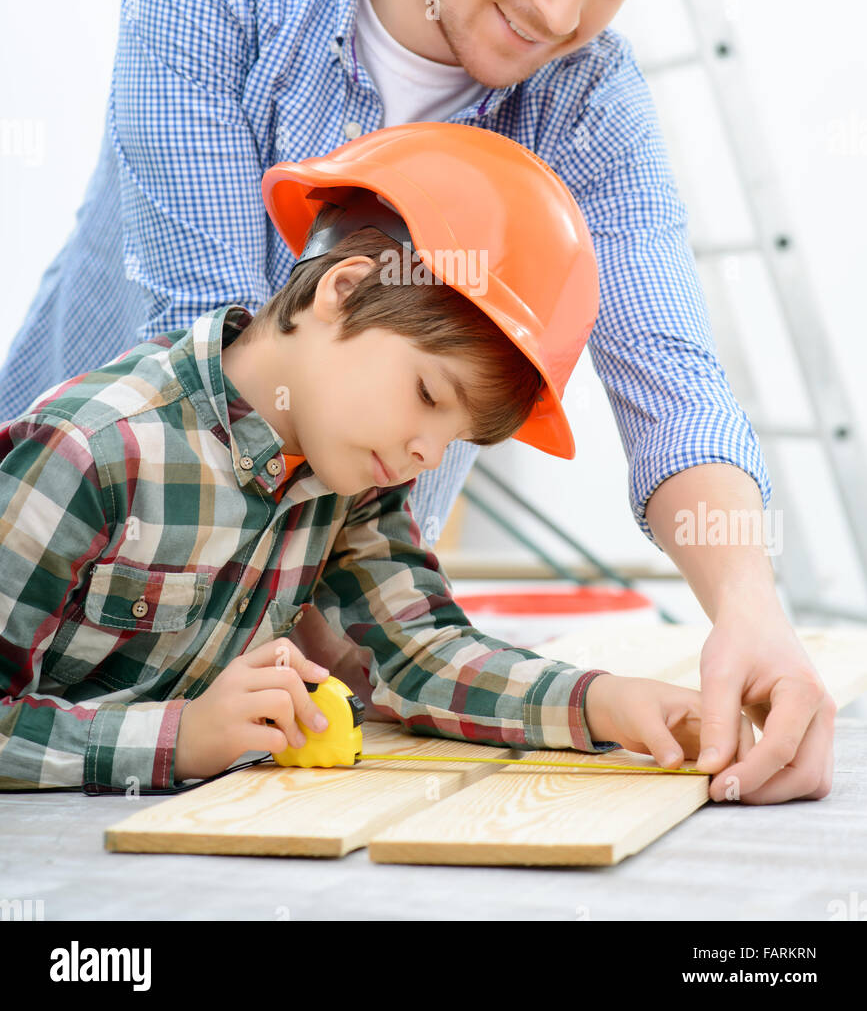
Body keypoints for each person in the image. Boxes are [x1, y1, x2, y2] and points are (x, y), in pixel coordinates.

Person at [0, 0, 834, 803]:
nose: (557, 8)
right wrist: (214, 700)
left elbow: (670, 378)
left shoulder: (592, 105)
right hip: (83, 560)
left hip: (320, 596)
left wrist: (749, 616)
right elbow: (200, 347)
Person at [0, 122, 756, 792]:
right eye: (429, 394)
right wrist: (180, 740)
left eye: (455, 437)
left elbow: (417, 656)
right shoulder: (89, 451)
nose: (427, 453)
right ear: (344, 289)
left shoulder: (346, 481)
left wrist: (605, 704)